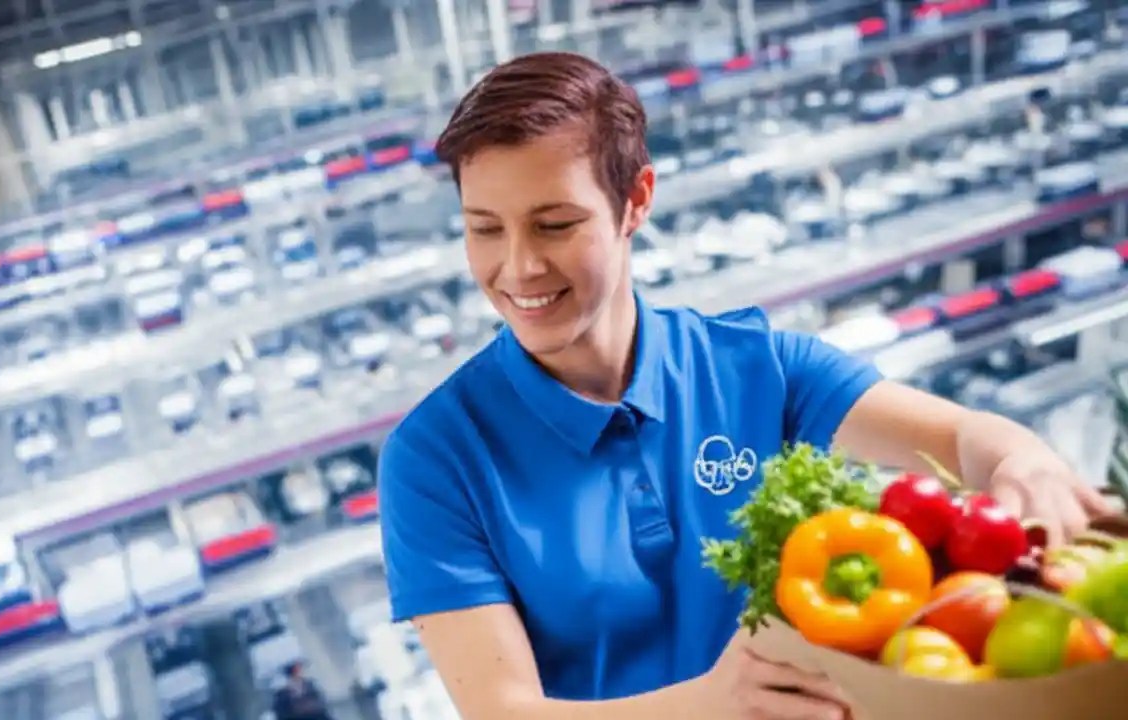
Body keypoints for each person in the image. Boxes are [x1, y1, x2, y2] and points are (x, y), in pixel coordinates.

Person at [377, 51, 1114, 720]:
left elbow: (959, 439)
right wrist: (709, 705)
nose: (518, 267)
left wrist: (1025, 461)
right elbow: (503, 712)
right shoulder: (437, 457)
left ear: (636, 201)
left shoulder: (757, 366)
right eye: (483, 229)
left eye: (555, 224)